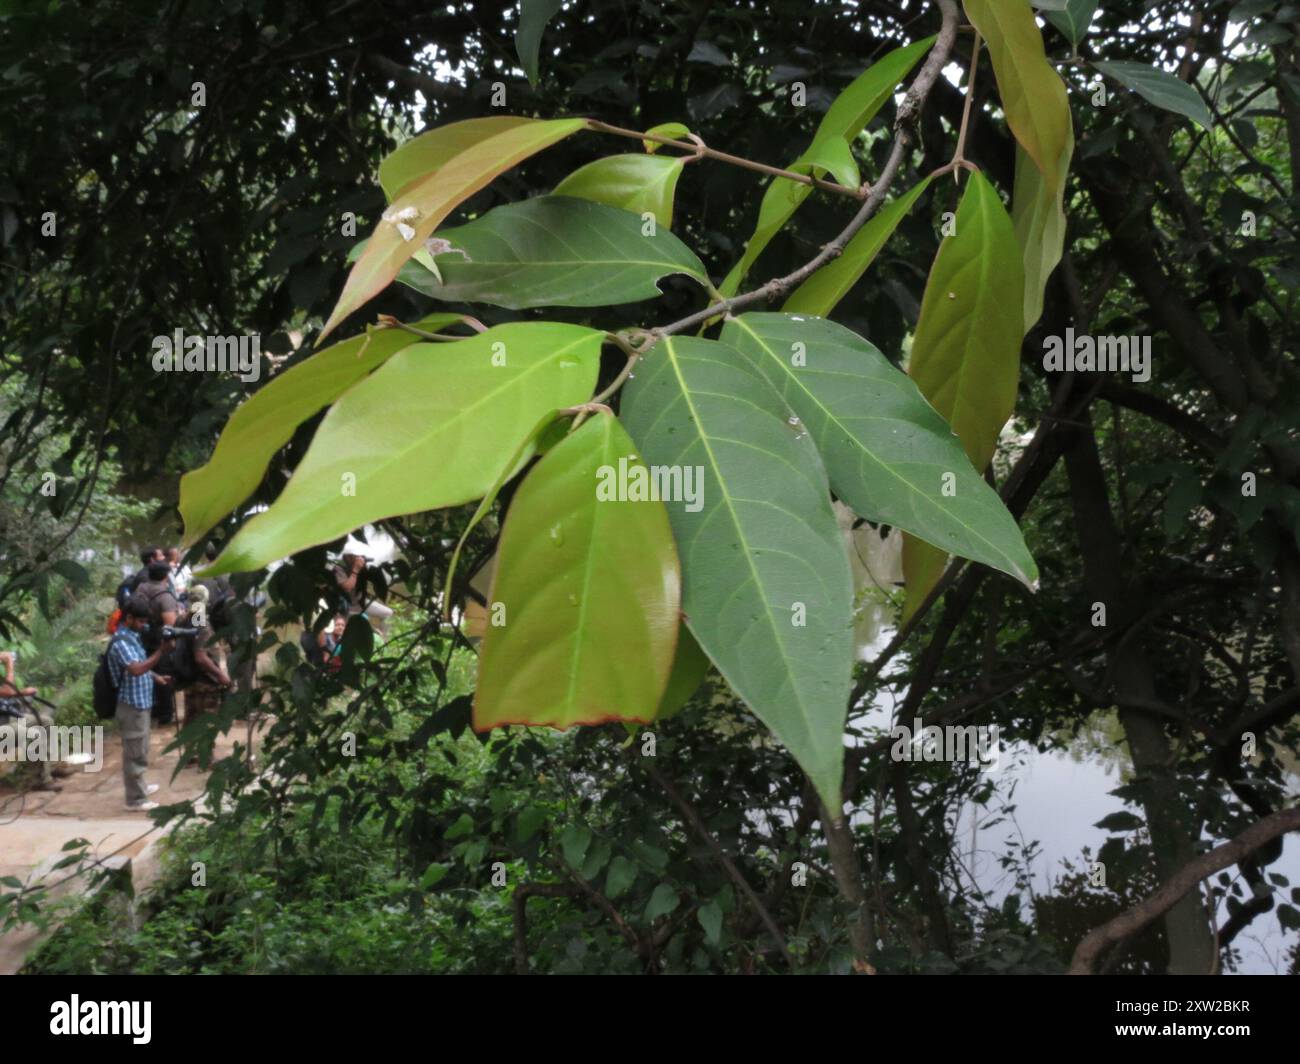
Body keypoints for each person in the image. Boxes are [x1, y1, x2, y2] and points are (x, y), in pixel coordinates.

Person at [106, 601, 174, 811]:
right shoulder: (120, 642)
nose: (144, 625)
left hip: (141, 702)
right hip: (131, 705)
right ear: (129, 619)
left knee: (141, 749)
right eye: (141, 621)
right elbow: (135, 669)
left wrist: (155, 677)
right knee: (134, 752)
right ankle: (135, 800)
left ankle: (140, 786)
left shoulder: (132, 638)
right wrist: (161, 652)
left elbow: (140, 665)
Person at [0, 650, 60, 792]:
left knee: (45, 721)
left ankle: (48, 768)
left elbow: (4, 692)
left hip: (5, 720)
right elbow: (7, 690)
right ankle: (40, 780)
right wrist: (9, 664)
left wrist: (21, 692)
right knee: (35, 733)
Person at [130, 560, 180, 725]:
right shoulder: (165, 596)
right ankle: (165, 715)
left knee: (148, 671)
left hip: (141, 636)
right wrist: (170, 643)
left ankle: (153, 709)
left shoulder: (140, 588)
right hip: (159, 639)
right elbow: (170, 625)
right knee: (163, 674)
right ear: (165, 576)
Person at [332, 551, 393, 634]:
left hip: (360, 601)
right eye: (356, 555)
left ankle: (386, 640)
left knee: (388, 613)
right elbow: (348, 587)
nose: (359, 557)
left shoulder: (360, 566)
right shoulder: (338, 567)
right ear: (348, 556)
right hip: (345, 607)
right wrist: (356, 569)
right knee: (349, 632)